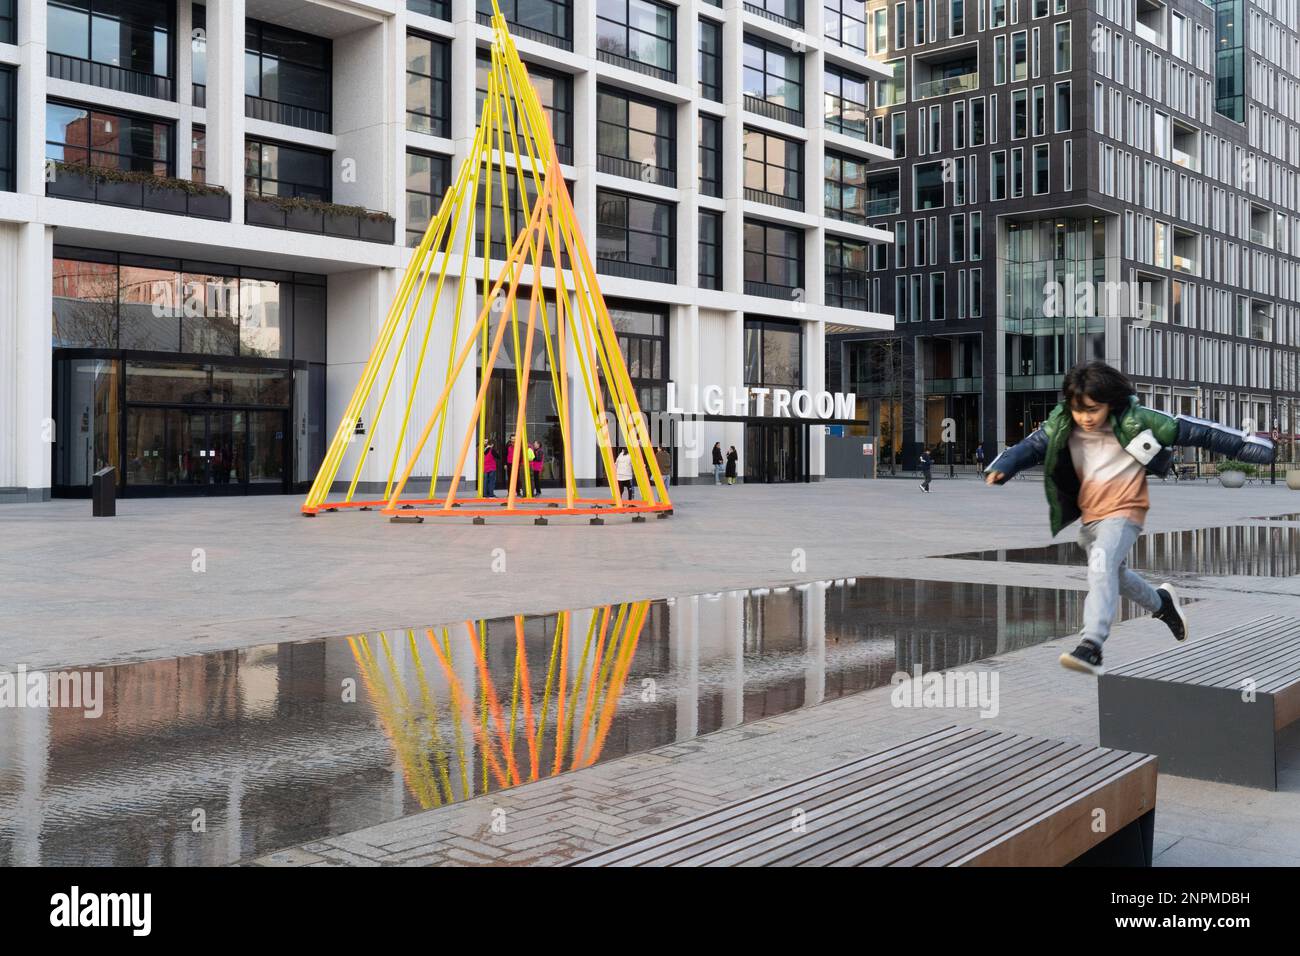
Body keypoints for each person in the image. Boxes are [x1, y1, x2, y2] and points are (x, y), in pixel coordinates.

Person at [985, 361, 1275, 675]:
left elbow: (1196, 430)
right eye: (1078, 409)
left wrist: (1247, 445)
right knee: (1115, 575)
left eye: (1093, 409)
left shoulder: (1137, 419)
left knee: (1101, 565)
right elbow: (1033, 445)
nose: (1085, 417)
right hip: (1090, 516)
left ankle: (1091, 646)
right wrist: (1006, 465)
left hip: (1125, 508)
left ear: (1111, 403)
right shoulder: (1063, 422)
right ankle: (1163, 605)